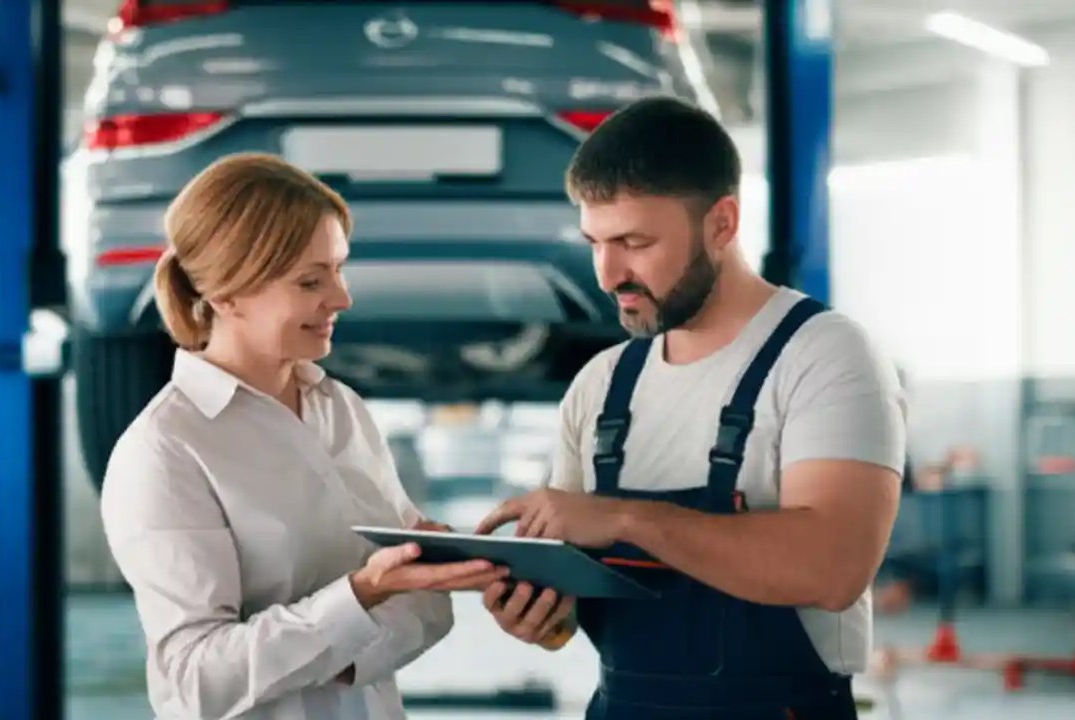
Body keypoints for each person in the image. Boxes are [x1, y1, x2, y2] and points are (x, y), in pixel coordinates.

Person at [475, 97, 907, 719]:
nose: (607, 274)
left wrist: (625, 518)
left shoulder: (826, 356)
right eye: (594, 242)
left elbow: (833, 567)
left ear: (722, 224)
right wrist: (539, 617)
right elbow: (570, 610)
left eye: (635, 242)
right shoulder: (600, 386)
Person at [100, 153, 507, 720]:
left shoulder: (340, 408)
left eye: (339, 270)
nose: (342, 298)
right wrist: (361, 597)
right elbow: (194, 681)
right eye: (310, 281)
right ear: (225, 293)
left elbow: (425, 604)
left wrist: (346, 648)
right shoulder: (167, 449)